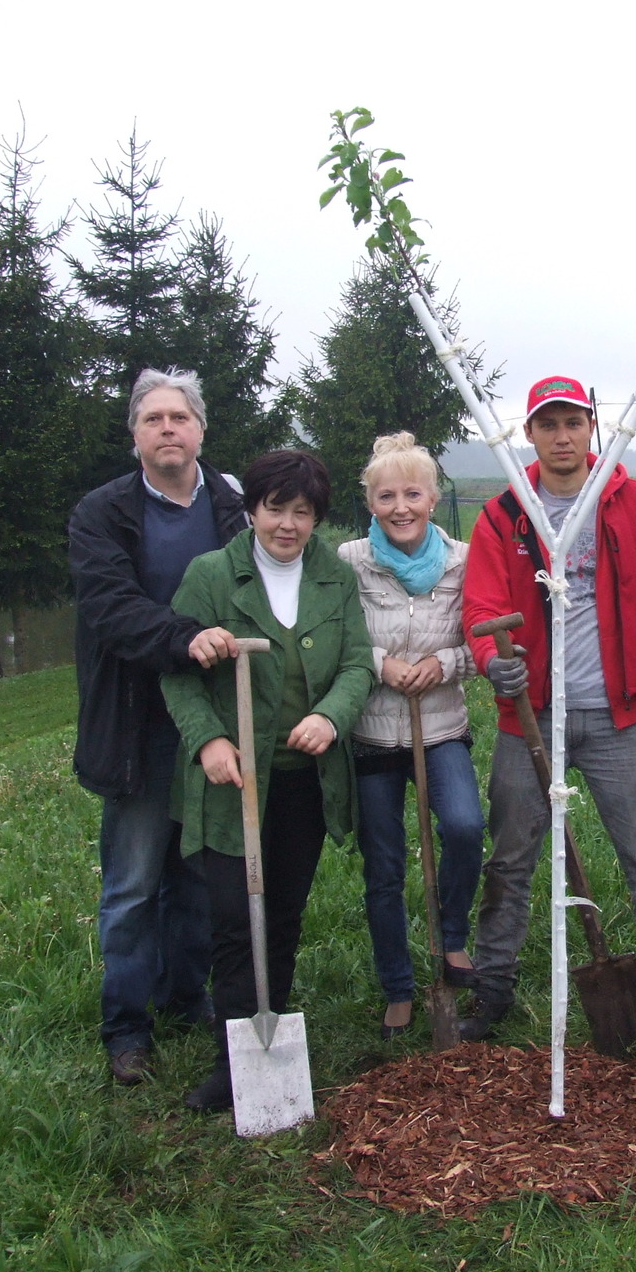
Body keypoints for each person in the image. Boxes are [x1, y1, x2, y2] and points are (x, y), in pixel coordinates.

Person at [460, 375, 636, 1037]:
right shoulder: (505, 515)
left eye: (574, 422)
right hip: (531, 721)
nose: (563, 436)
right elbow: (482, 611)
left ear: (591, 428)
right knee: (510, 860)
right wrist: (495, 663)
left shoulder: (630, 503)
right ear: (530, 434)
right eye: (549, 424)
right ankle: (490, 991)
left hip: (616, 717)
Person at [162, 450, 375, 1113]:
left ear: (317, 518)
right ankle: (233, 1060)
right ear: (252, 509)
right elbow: (176, 671)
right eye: (275, 508)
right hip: (233, 784)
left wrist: (329, 717)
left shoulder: (333, 577)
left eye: (303, 512)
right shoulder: (211, 576)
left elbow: (359, 664)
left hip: (301, 783)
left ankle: (273, 1033)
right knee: (234, 919)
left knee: (281, 915)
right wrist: (209, 740)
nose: (288, 524)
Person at [68, 368, 247, 1089]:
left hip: (212, 720)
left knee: (199, 875)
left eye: (180, 417)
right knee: (136, 881)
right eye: (153, 419)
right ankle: (126, 1027)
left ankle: (184, 996)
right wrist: (187, 637)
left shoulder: (233, 503)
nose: (168, 429)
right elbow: (110, 609)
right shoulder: (101, 513)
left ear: (200, 429)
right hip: (138, 723)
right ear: (135, 435)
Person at [338, 433, 483, 1038]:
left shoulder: (465, 560)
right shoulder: (348, 562)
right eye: (387, 495)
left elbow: (483, 642)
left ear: (433, 497)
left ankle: (451, 938)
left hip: (442, 728)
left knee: (465, 825)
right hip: (373, 735)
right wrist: (380, 663)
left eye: (413, 494)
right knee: (385, 865)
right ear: (370, 502)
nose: (401, 507)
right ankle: (397, 985)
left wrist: (443, 665)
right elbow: (335, 639)